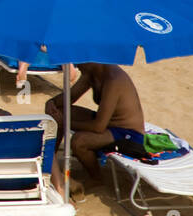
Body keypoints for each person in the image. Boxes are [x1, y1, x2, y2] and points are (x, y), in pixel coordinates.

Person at [44, 63, 145, 193]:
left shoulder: (113, 80)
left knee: (79, 141)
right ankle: (51, 163)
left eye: (78, 61)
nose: (76, 65)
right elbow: (71, 97)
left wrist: (64, 122)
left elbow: (98, 127)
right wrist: (51, 103)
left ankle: (96, 178)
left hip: (127, 133)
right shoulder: (91, 72)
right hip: (109, 123)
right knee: (59, 111)